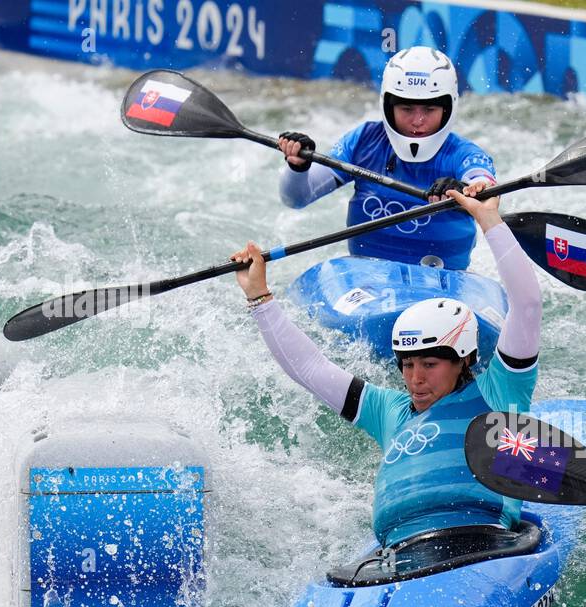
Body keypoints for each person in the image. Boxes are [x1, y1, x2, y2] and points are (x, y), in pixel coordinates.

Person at [231, 189, 541, 547]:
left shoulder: (498, 391)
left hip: (482, 541)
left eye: (430, 363)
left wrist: (489, 220)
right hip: (400, 553)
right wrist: (259, 296)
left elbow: (528, 305)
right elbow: (310, 369)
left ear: (465, 359)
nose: (415, 378)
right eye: (407, 365)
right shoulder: (389, 411)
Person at [276, 46, 497, 271]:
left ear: (448, 107)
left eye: (430, 109)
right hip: (366, 280)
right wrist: (298, 167)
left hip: (444, 284)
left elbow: (486, 190)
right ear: (388, 105)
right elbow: (296, 198)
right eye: (406, 108)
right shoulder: (364, 141)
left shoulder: (464, 154)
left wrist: (464, 189)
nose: (417, 121)